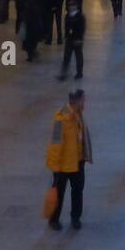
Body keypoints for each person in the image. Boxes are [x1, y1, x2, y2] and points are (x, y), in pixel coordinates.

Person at [46, 89, 93, 231]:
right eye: (83, 100)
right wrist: (54, 166)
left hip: (78, 162)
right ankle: (54, 219)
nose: (85, 102)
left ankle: (75, 217)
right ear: (77, 101)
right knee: (59, 194)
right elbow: (55, 143)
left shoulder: (78, 114)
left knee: (78, 191)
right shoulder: (61, 119)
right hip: (63, 166)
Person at [58, 0, 85, 81]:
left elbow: (82, 29)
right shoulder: (67, 16)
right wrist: (66, 36)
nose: (71, 7)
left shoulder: (80, 16)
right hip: (69, 39)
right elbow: (66, 27)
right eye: (70, 5)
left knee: (78, 56)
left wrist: (79, 39)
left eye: (73, 5)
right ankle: (63, 73)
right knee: (66, 57)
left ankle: (79, 73)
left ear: (76, 6)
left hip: (77, 39)